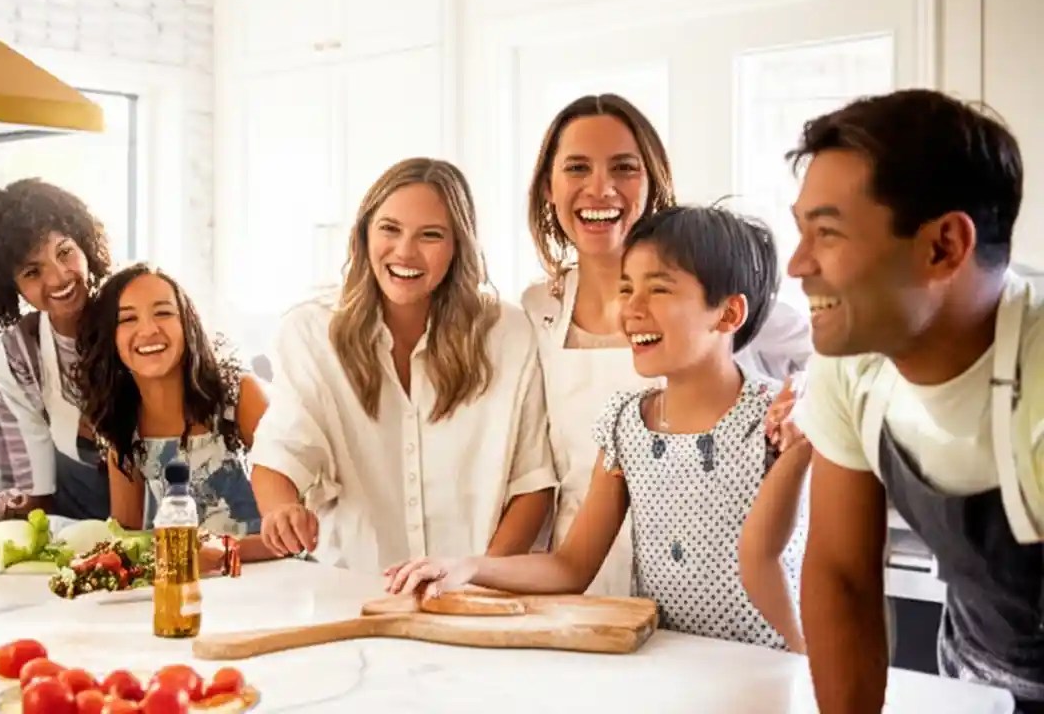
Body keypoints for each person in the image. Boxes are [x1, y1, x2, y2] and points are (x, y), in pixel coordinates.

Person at [387, 205, 810, 652]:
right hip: (666, 667)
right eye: (627, 288)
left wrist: (808, 666)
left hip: (769, 668)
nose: (632, 308)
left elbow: (772, 563)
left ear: (727, 315)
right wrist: (468, 567)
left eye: (659, 289)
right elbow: (571, 566)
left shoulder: (779, 421)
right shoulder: (627, 424)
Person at [789, 89, 1044, 712]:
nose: (797, 264)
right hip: (975, 680)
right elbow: (842, 576)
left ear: (944, 247)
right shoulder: (851, 365)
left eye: (826, 233)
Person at [520, 93, 812, 595]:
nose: (600, 188)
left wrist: (803, 399)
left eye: (624, 168)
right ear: (549, 187)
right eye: (577, 168)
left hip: (710, 592)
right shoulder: (534, 309)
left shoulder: (709, 292)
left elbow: (839, 356)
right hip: (578, 584)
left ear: (653, 180)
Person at [248, 157, 558, 574]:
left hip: (477, 599)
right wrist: (282, 510)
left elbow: (532, 483)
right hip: (353, 595)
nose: (405, 251)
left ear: (458, 247)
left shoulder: (509, 332)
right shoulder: (310, 332)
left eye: (430, 235)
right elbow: (282, 450)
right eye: (389, 229)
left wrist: (476, 578)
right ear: (363, 235)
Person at [72, 263, 276, 564]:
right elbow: (127, 536)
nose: (149, 329)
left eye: (163, 313)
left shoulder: (239, 397)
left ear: (188, 324)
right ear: (109, 339)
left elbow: (299, 532)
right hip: (188, 588)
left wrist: (224, 555)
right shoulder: (124, 425)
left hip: (274, 581)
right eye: (128, 318)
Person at [0, 178, 112, 529]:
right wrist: (5, 509)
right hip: (76, 538)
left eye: (64, 252)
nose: (59, 278)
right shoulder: (14, 357)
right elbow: (34, 491)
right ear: (10, 287)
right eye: (32, 271)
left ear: (84, 241)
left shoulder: (131, 321)